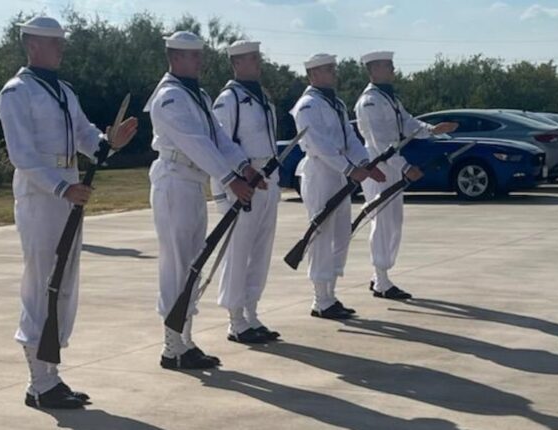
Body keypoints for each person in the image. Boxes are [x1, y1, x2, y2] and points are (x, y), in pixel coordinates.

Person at [0, 16, 137, 409]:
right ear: (33, 45)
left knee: (64, 282)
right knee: (42, 283)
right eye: (54, 42)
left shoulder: (63, 91)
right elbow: (21, 155)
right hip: (42, 195)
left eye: (61, 42)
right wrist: (62, 188)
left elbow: (86, 135)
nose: (61, 48)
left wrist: (110, 142)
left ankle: (50, 377)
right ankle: (39, 382)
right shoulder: (17, 92)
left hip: (70, 189)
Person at [146, 31, 265, 369]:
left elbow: (220, 140)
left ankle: (185, 341)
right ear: (175, 57)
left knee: (191, 265)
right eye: (194, 55)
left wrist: (244, 168)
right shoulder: (169, 97)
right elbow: (195, 143)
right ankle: (172, 346)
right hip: (173, 182)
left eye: (199, 54)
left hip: (191, 183)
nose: (200, 60)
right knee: (177, 265)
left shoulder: (195, 94)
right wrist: (230, 180)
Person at [354, 51, 457, 300]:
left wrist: (432, 130)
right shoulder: (370, 101)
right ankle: (381, 280)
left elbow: (408, 124)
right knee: (382, 222)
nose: (393, 70)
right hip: (380, 163)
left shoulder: (389, 98)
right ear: (374, 70)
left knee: (393, 221)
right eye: (388, 66)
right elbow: (380, 142)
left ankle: (380, 275)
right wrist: (403, 167)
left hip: (391, 160)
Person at [289, 53, 386, 320]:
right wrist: (350, 168)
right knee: (321, 233)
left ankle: (330, 294)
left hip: (340, 174)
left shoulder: (336, 103)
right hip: (320, 172)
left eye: (333, 68)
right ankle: (320, 298)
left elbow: (349, 139)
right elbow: (319, 145)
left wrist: (365, 163)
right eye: (328, 69)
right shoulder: (307, 105)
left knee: (341, 233)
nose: (334, 73)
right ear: (313, 75)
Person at [210, 40, 283, 343]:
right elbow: (221, 144)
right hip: (243, 181)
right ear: (236, 64)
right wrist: (237, 178)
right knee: (238, 252)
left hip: (268, 177)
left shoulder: (262, 98)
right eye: (251, 59)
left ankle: (251, 313)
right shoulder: (229, 100)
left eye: (257, 57)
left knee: (260, 251)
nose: (257, 63)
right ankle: (235, 319)